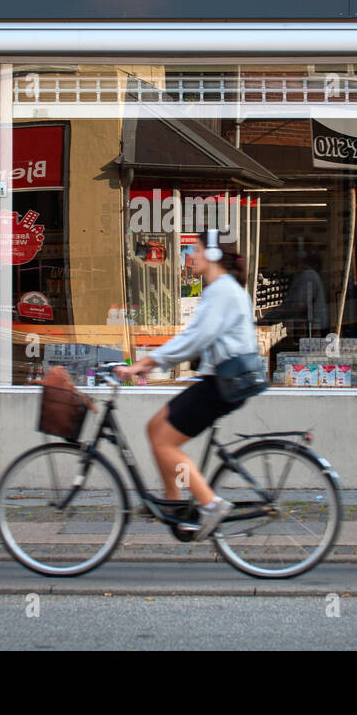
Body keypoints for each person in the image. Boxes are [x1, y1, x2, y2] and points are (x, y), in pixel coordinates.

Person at [114, 229, 258, 540]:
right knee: (156, 429)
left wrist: (148, 362)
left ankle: (211, 503)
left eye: (195, 249)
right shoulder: (220, 289)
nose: (189, 256)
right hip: (218, 379)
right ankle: (174, 504)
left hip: (223, 382)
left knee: (165, 442)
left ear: (214, 256)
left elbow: (194, 340)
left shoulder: (222, 290)